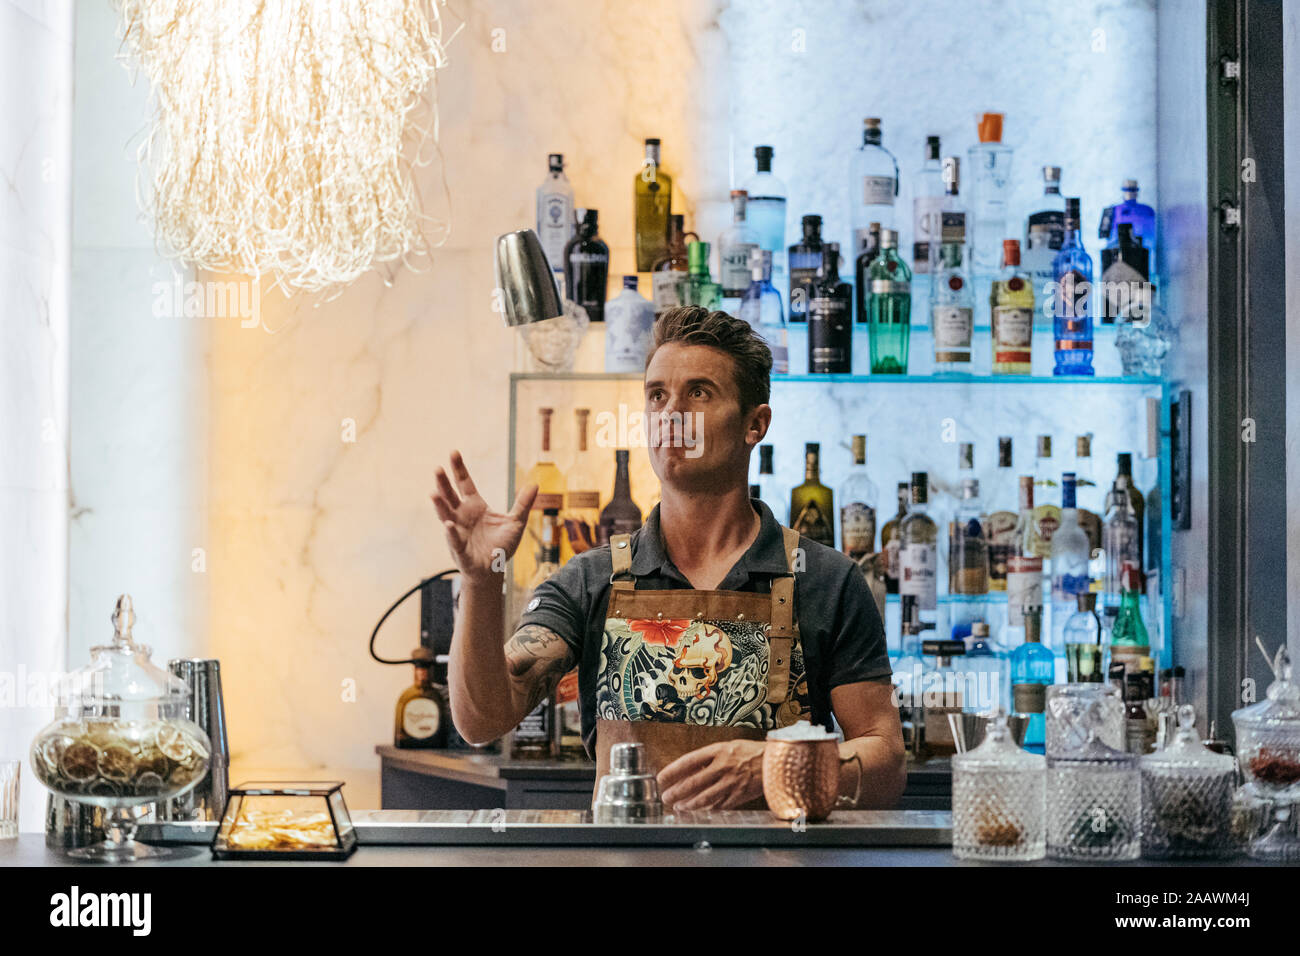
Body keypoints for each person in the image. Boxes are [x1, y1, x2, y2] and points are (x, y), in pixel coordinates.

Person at [433, 306, 904, 810]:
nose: (671, 414)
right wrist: (481, 583)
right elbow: (481, 719)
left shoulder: (827, 581)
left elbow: (887, 762)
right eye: (657, 395)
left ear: (755, 424)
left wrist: (774, 764)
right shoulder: (592, 581)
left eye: (698, 393)